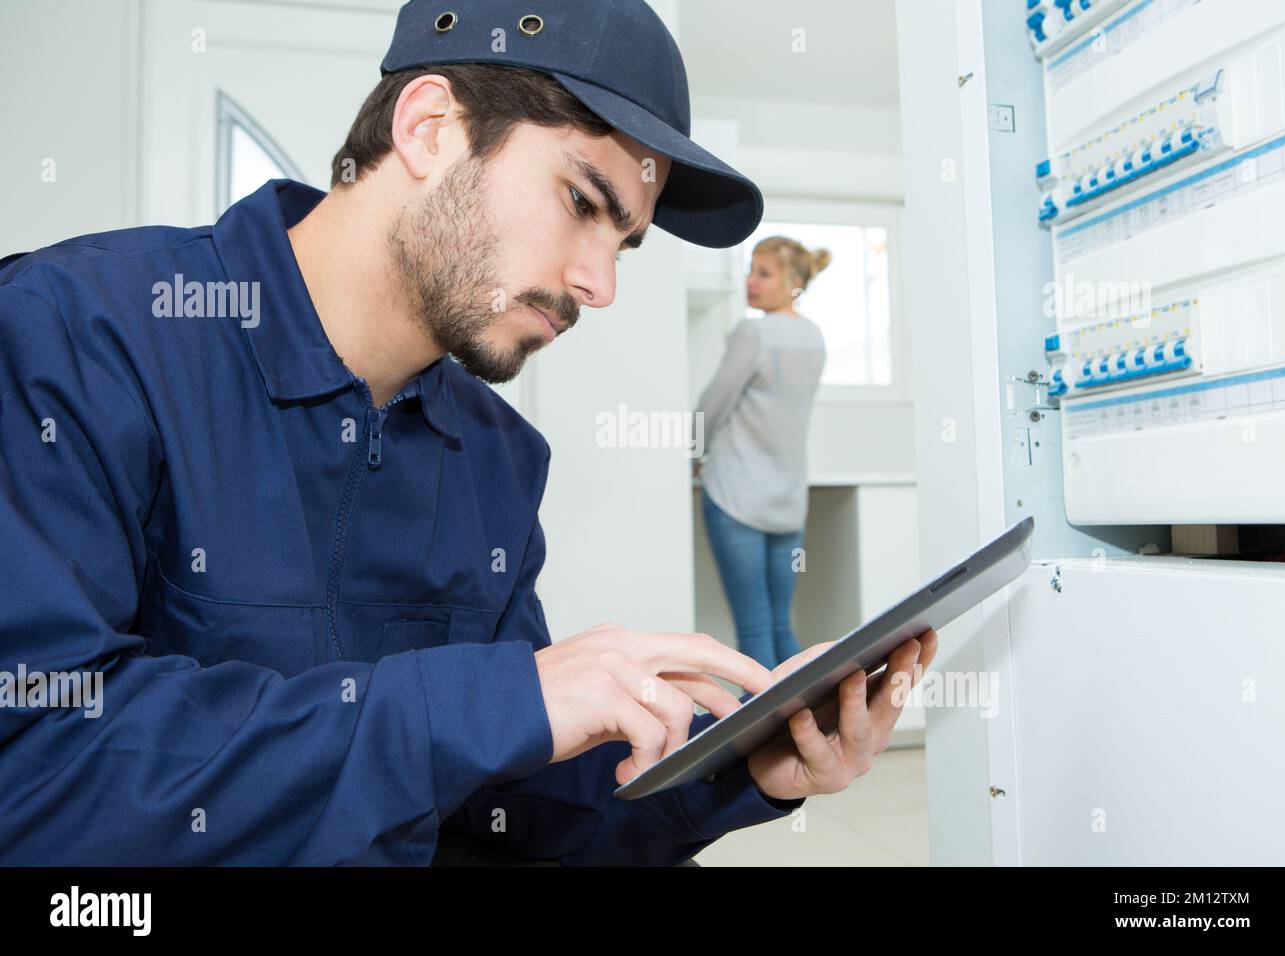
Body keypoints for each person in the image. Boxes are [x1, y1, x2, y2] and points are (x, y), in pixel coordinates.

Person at [0, 0, 936, 866]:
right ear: (428, 128)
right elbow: (38, 766)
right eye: (581, 202)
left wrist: (742, 765)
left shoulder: (495, 457)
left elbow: (510, 808)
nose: (599, 285)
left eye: (625, 242)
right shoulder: (78, 334)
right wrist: (494, 702)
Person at [695, 238, 831, 670]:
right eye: (751, 269)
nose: (750, 281)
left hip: (736, 495)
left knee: (753, 628)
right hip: (789, 502)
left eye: (764, 273)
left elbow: (711, 406)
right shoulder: (814, 337)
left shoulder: (753, 332)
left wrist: (694, 454)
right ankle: (805, 727)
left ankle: (758, 737)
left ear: (793, 282)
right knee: (780, 625)